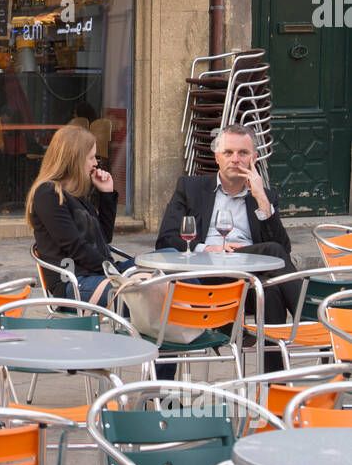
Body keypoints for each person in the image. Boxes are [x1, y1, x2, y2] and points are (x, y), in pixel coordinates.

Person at [156, 122, 299, 367]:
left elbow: (284, 251)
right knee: (272, 251)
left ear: (254, 157)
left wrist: (262, 201)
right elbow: (166, 239)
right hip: (203, 276)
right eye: (228, 153)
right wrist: (205, 249)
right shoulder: (190, 188)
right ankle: (318, 318)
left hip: (245, 281)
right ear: (217, 157)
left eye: (243, 153)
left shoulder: (265, 196)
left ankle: (274, 387)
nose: (235, 159)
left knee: (272, 292)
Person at [26, 124, 133, 305]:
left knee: (168, 264)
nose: (96, 163)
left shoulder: (75, 192)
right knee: (147, 291)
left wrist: (106, 193)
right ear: (74, 159)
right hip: (74, 282)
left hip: (98, 272)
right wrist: (114, 272)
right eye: (91, 158)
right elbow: (75, 247)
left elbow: (104, 237)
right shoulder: (49, 194)